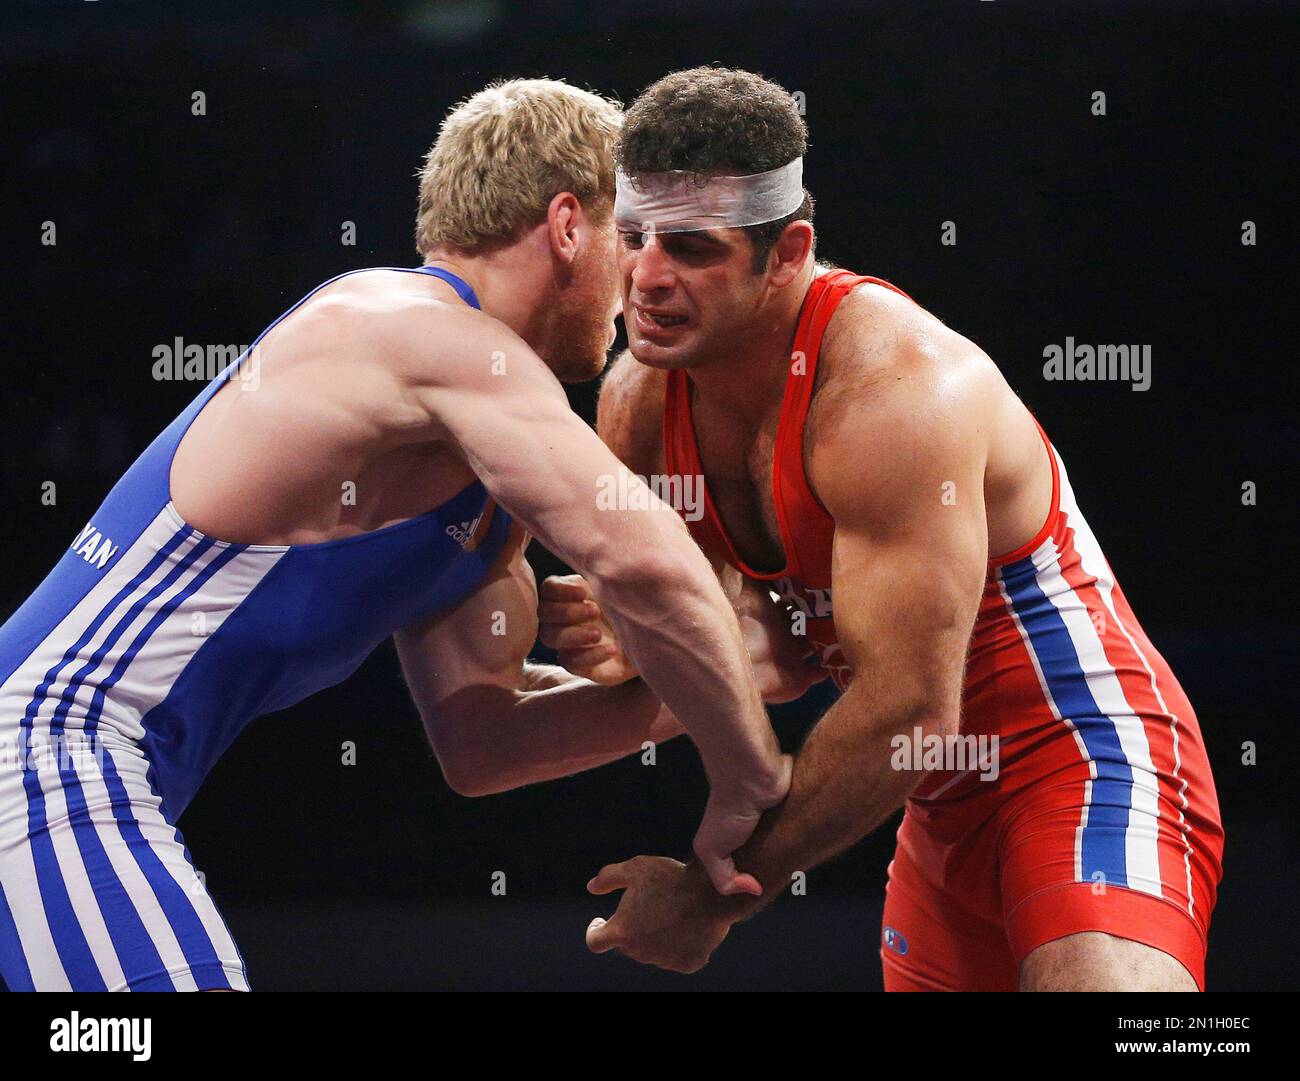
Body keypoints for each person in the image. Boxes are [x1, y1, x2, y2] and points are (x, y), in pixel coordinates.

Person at [0, 78, 789, 992]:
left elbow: (486, 742)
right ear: (569, 225)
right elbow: (644, 560)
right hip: (45, 751)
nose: (644, 276)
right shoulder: (404, 328)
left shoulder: (488, 499)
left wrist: (726, 672)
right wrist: (745, 774)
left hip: (94, 777)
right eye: (632, 235)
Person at [546, 66, 1224, 991]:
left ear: (787, 251)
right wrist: (646, 640)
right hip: (933, 804)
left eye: (693, 248)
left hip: (1084, 758)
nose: (647, 278)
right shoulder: (636, 404)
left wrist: (717, 894)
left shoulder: (894, 392)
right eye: (633, 238)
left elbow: (911, 705)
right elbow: (784, 651)